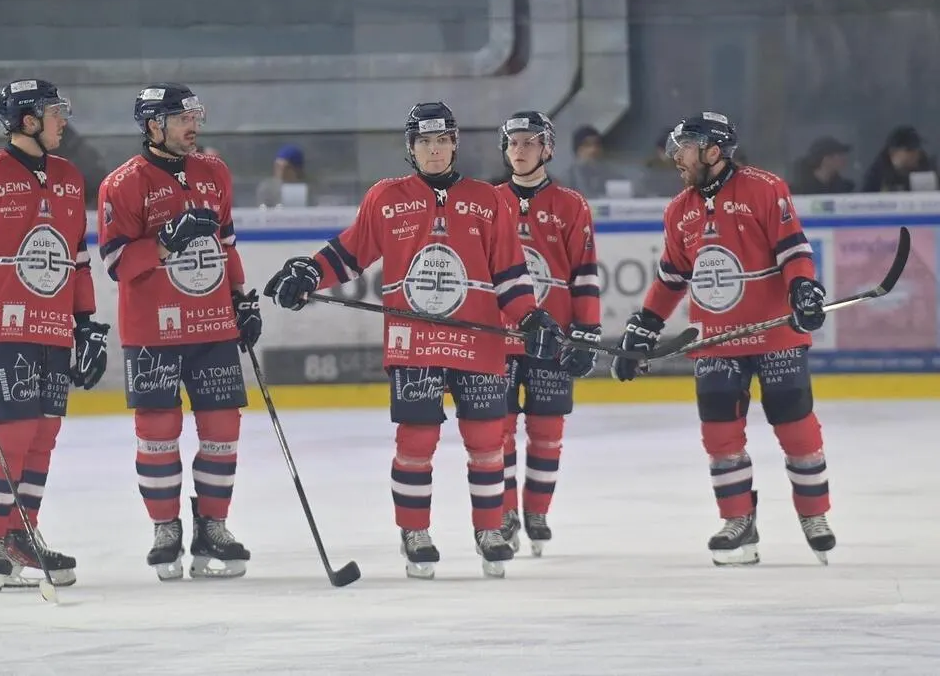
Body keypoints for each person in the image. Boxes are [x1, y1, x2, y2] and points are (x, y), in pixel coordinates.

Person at [264, 101, 564, 579]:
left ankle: (490, 530)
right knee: (416, 441)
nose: (435, 150)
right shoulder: (386, 197)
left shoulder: (488, 199)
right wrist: (307, 272)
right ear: (411, 148)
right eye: (425, 141)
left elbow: (510, 272)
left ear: (454, 144)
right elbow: (349, 253)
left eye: (443, 140)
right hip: (415, 340)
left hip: (476, 341)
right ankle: (415, 532)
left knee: (487, 441)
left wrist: (531, 317)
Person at [610, 112, 834, 566]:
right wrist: (643, 326)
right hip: (716, 341)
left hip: (775, 337)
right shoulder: (678, 211)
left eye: (685, 148)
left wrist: (803, 288)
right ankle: (738, 522)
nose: (677, 156)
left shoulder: (765, 189)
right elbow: (671, 278)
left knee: (797, 429)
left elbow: (794, 251)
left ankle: (814, 516)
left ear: (713, 151)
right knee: (720, 435)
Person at [0, 79, 109, 591]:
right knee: (10, 429)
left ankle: (19, 532)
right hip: (2, 322)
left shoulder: (70, 177)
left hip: (53, 326)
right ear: (28, 119)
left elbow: (76, 257)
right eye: (55, 112)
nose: (63, 121)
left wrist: (86, 322)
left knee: (43, 434)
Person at [96, 83, 263, 581]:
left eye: (197, 115)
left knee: (221, 431)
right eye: (183, 117)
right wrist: (167, 241)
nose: (194, 125)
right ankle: (165, 527)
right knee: (157, 434)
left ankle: (212, 525)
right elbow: (117, 263)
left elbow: (227, 243)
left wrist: (241, 297)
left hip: (212, 324)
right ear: (153, 125)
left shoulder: (214, 172)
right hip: (153, 331)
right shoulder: (122, 183)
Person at [493, 111, 601, 556]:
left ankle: (536, 511)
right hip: (497, 338)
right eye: (513, 143)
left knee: (546, 430)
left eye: (530, 143)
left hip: (551, 340)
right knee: (494, 431)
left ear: (547, 149)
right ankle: (503, 512)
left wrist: (587, 331)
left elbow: (585, 274)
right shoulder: (488, 200)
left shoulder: (571, 205)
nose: (519, 150)